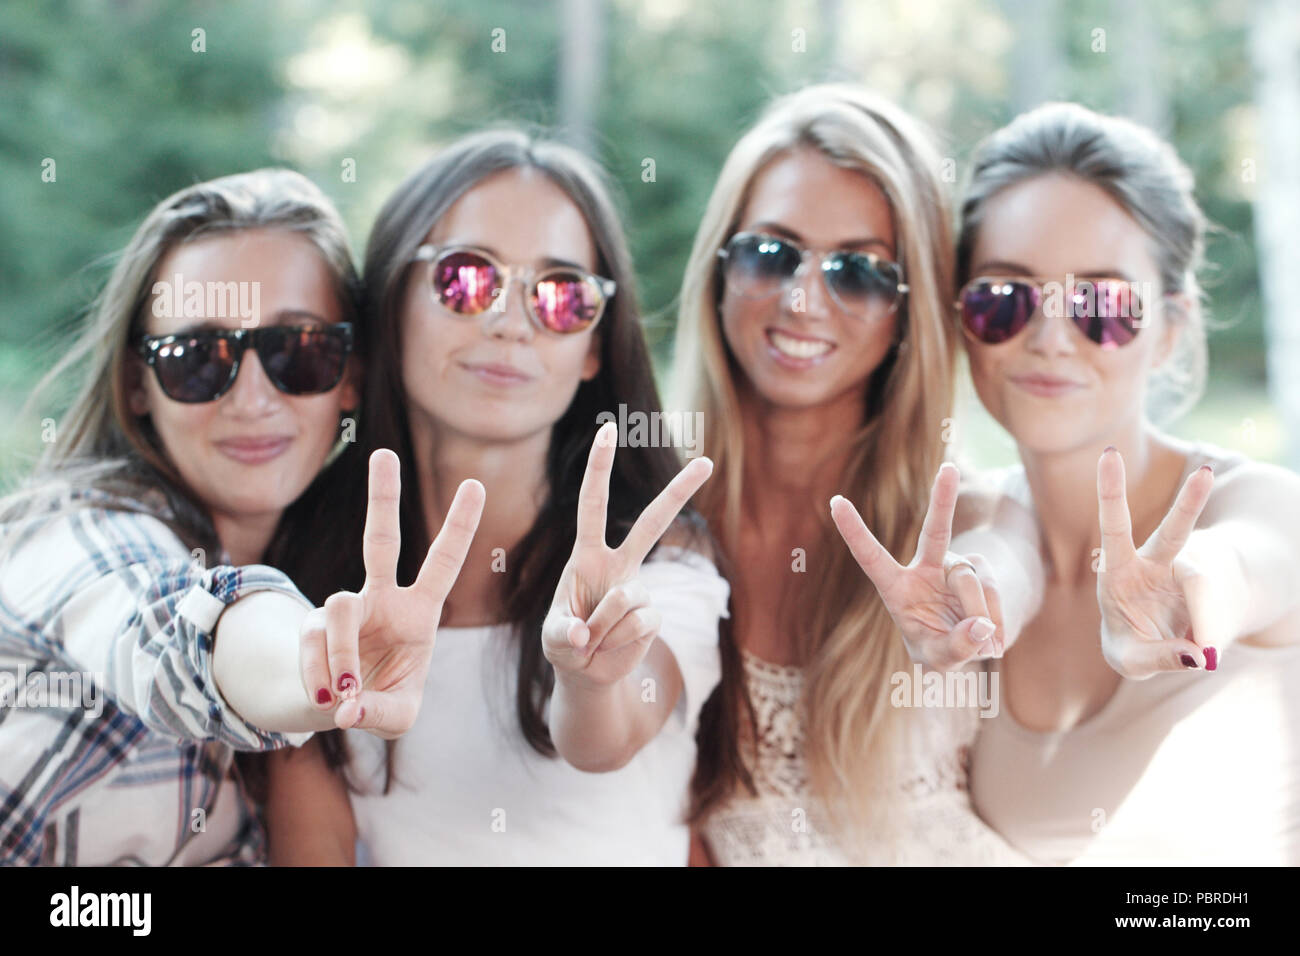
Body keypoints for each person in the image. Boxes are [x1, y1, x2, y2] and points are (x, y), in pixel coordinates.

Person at [269, 130, 729, 866]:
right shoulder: (308, 579)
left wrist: (588, 678)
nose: (511, 322)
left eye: (562, 294)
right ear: (391, 303)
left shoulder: (657, 559)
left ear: (592, 349)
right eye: (466, 279)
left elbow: (610, 736)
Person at [0, 169, 483, 866]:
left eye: (299, 351)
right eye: (198, 357)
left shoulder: (335, 567)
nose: (252, 399)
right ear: (138, 383)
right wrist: (313, 670)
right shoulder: (79, 532)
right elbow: (172, 627)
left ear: (351, 374)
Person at [672, 85, 1034, 865]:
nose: (804, 301)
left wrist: (977, 607)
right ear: (719, 269)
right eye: (771, 253)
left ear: (912, 311)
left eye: (860, 273)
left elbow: (1010, 572)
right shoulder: (650, 527)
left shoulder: (970, 521)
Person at [953, 102, 1300, 864]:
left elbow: (1242, 564)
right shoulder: (973, 538)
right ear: (961, 320)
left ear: (1170, 327)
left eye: (1101, 306)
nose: (1048, 339)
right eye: (1003, 298)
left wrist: (1192, 593)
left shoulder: (1263, 504)